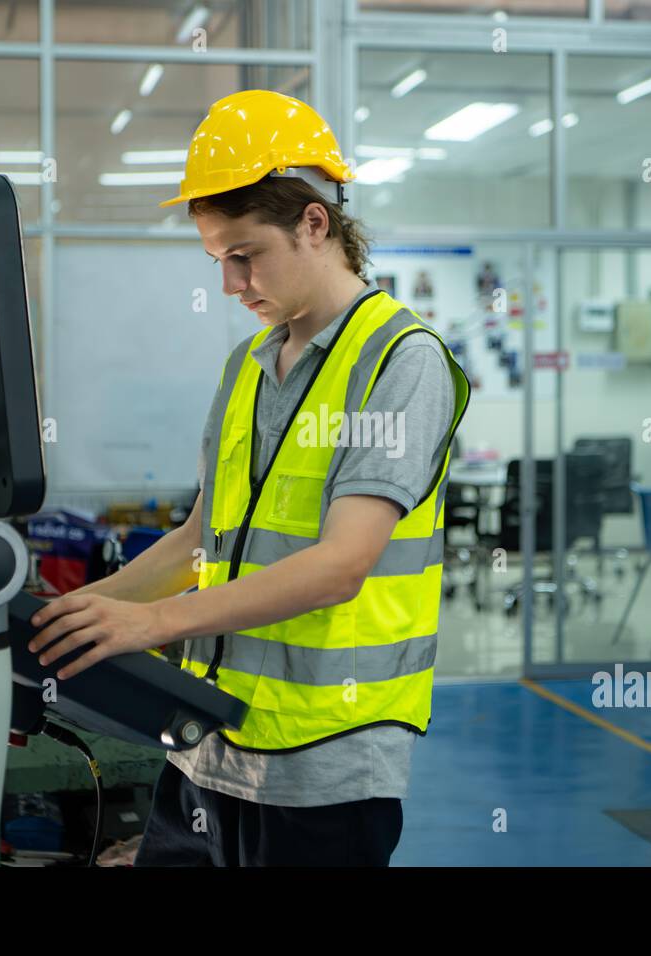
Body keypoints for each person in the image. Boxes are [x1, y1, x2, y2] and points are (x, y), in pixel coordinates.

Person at [26, 90, 470, 866]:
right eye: (218, 261)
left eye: (245, 255)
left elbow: (341, 566)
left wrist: (151, 626)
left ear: (314, 223)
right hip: (206, 739)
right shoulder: (251, 365)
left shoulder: (401, 362)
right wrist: (64, 619)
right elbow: (197, 541)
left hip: (323, 766)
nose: (232, 285)